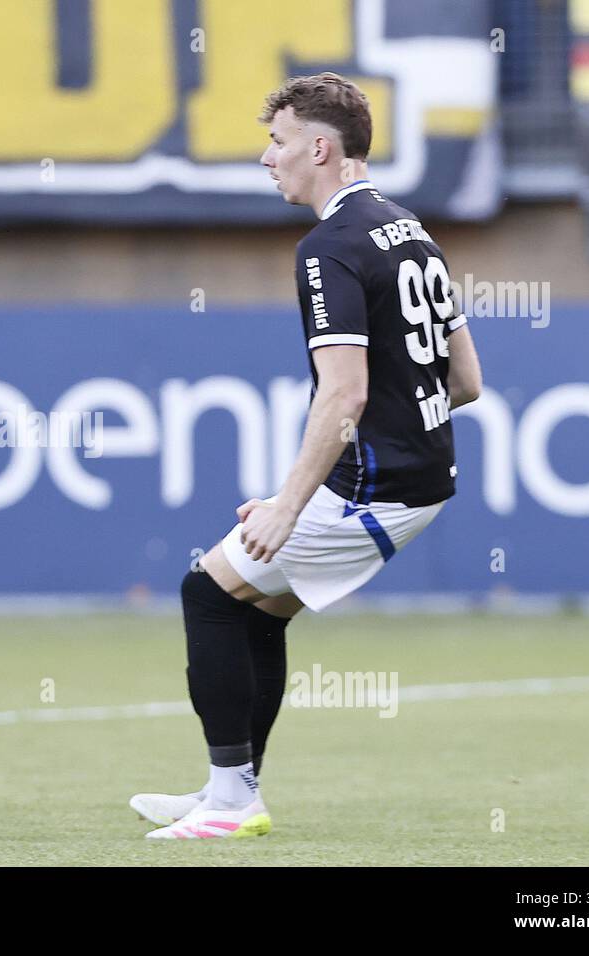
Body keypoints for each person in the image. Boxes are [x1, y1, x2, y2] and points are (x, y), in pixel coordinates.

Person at [132, 73, 483, 839]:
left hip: (377, 487)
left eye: (279, 142)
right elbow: (467, 381)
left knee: (208, 594)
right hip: (421, 477)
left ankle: (230, 801)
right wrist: (403, 430)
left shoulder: (329, 246)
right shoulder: (409, 227)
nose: (268, 158)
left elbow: (344, 394)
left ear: (320, 148)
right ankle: (229, 788)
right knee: (258, 608)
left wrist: (289, 506)